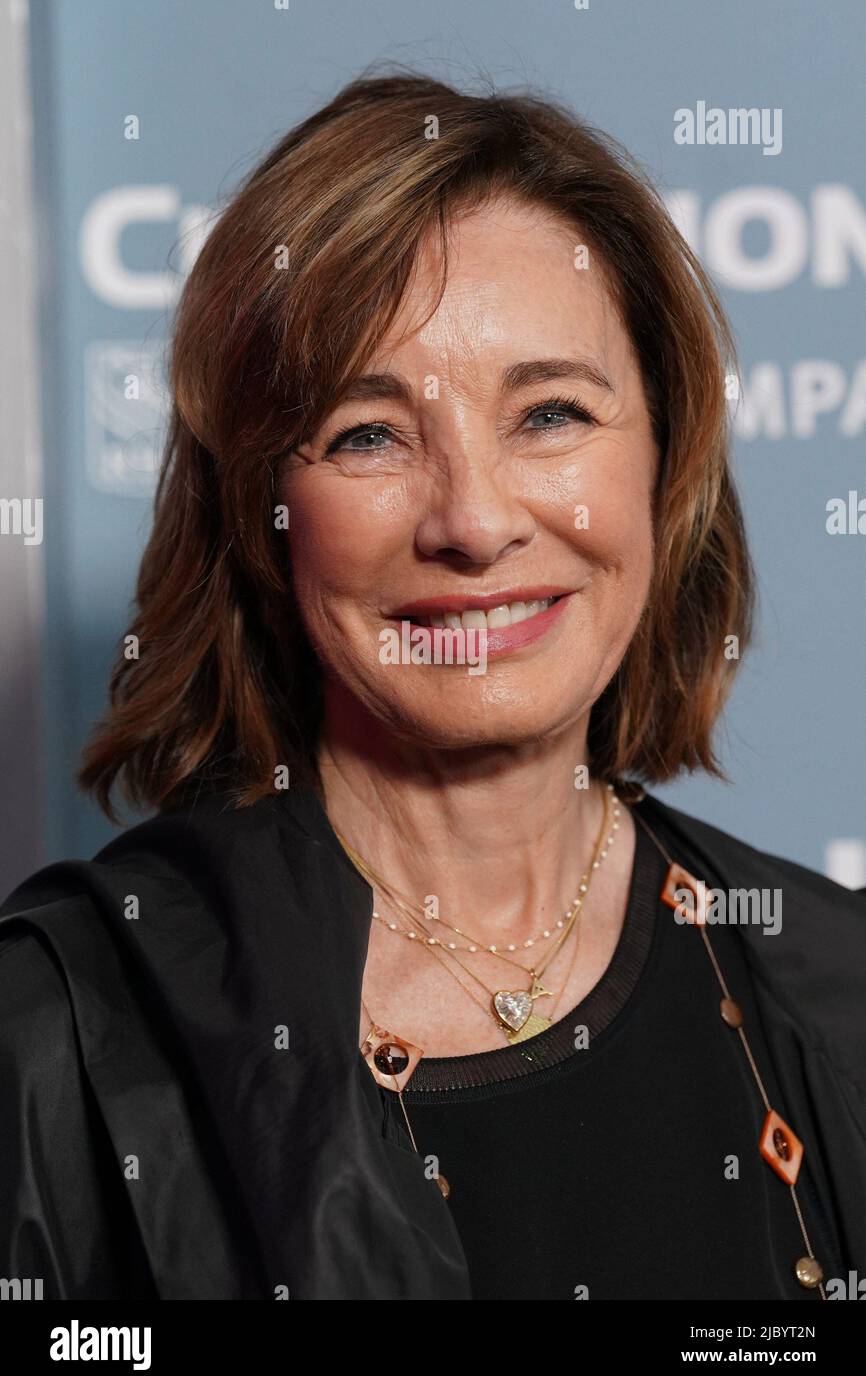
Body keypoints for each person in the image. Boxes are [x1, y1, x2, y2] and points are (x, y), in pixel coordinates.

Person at [1, 71, 864, 1302]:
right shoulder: (64, 1038)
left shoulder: (835, 990)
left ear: (661, 464)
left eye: (550, 413)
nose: (471, 521)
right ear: (263, 511)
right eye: (368, 434)